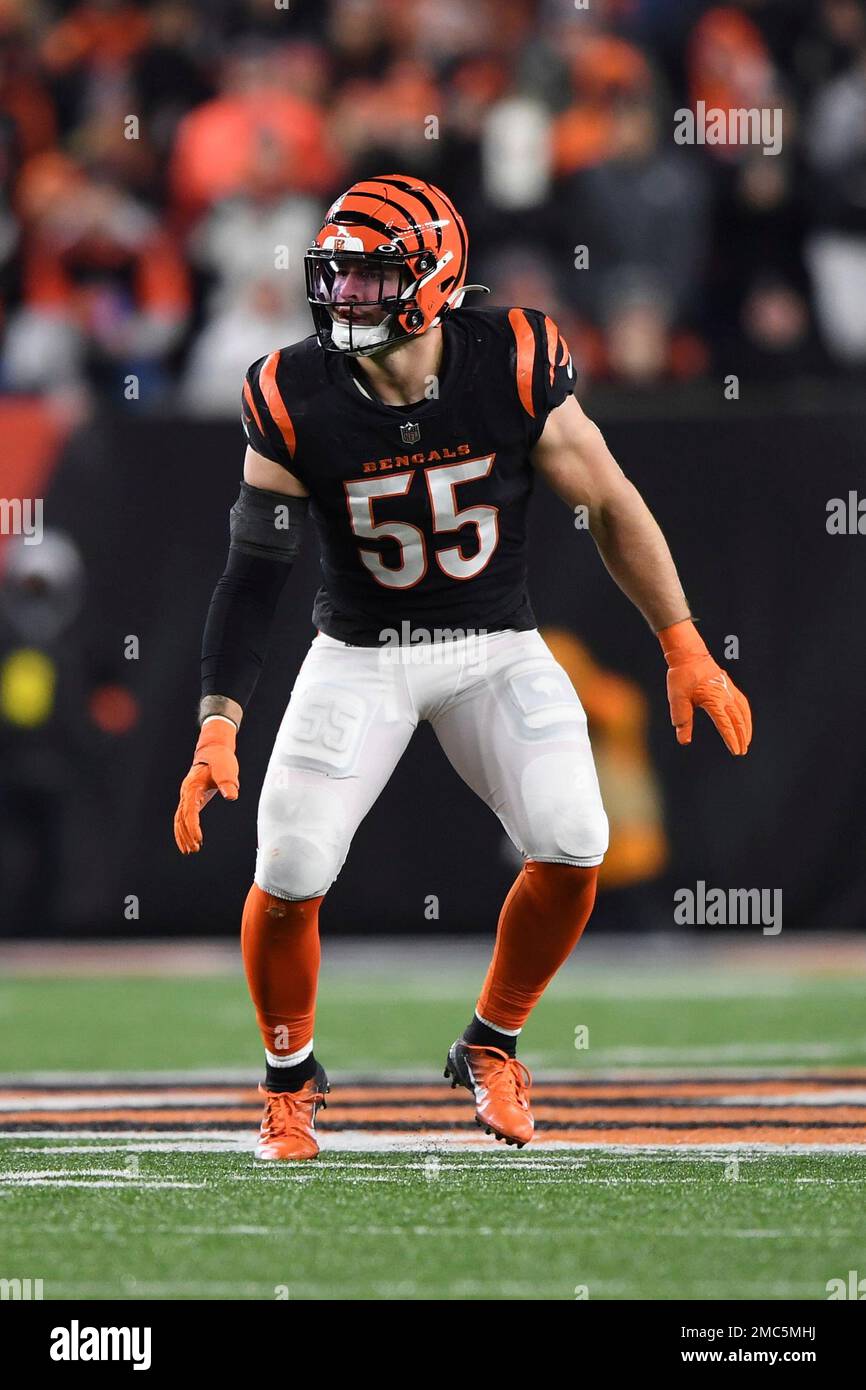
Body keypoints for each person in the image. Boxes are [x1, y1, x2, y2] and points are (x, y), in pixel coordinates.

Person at [173, 174, 752, 1160]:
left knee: (574, 839)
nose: (343, 296)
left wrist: (681, 640)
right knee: (288, 868)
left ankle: (489, 1043)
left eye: (368, 276)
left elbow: (609, 502)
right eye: (336, 276)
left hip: (491, 646)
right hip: (357, 653)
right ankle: (288, 1079)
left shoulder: (512, 361)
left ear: (434, 279)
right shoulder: (288, 392)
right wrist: (218, 720)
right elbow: (252, 572)